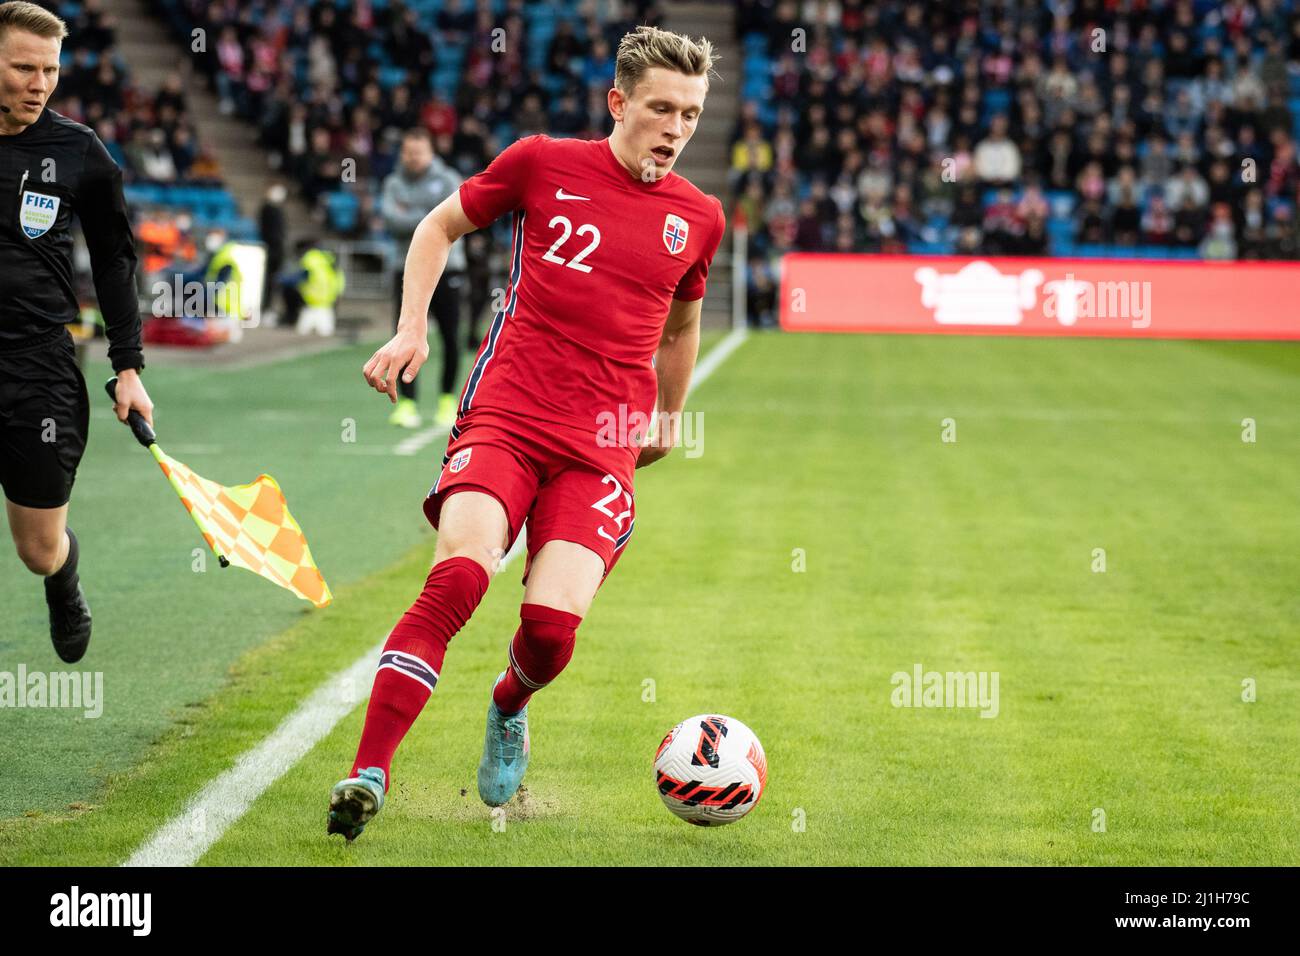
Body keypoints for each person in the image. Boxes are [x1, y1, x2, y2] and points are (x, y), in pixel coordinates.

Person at [328, 25, 725, 840]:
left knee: (548, 632)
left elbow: (682, 329)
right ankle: (368, 770)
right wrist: (411, 330)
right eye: (660, 109)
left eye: (690, 114)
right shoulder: (543, 162)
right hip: (507, 413)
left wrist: (668, 417)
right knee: (459, 579)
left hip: (602, 442)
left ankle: (509, 703)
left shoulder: (699, 217)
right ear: (618, 103)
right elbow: (436, 228)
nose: (676, 129)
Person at [0, 1, 154, 662]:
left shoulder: (78, 152)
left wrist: (128, 366)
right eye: (23, 68)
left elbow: (117, 259)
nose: (39, 84)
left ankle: (62, 577)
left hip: (36, 370)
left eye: (50, 70)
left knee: (36, 548)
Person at [380, 127, 465, 428]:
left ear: (431, 152)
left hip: (448, 268)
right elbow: (391, 220)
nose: (413, 158)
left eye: (418, 152)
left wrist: (420, 218)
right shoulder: (393, 182)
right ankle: (407, 404)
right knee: (403, 334)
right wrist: (431, 218)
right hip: (406, 270)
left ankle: (446, 399)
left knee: (450, 336)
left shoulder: (448, 179)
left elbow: (453, 220)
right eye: (408, 152)